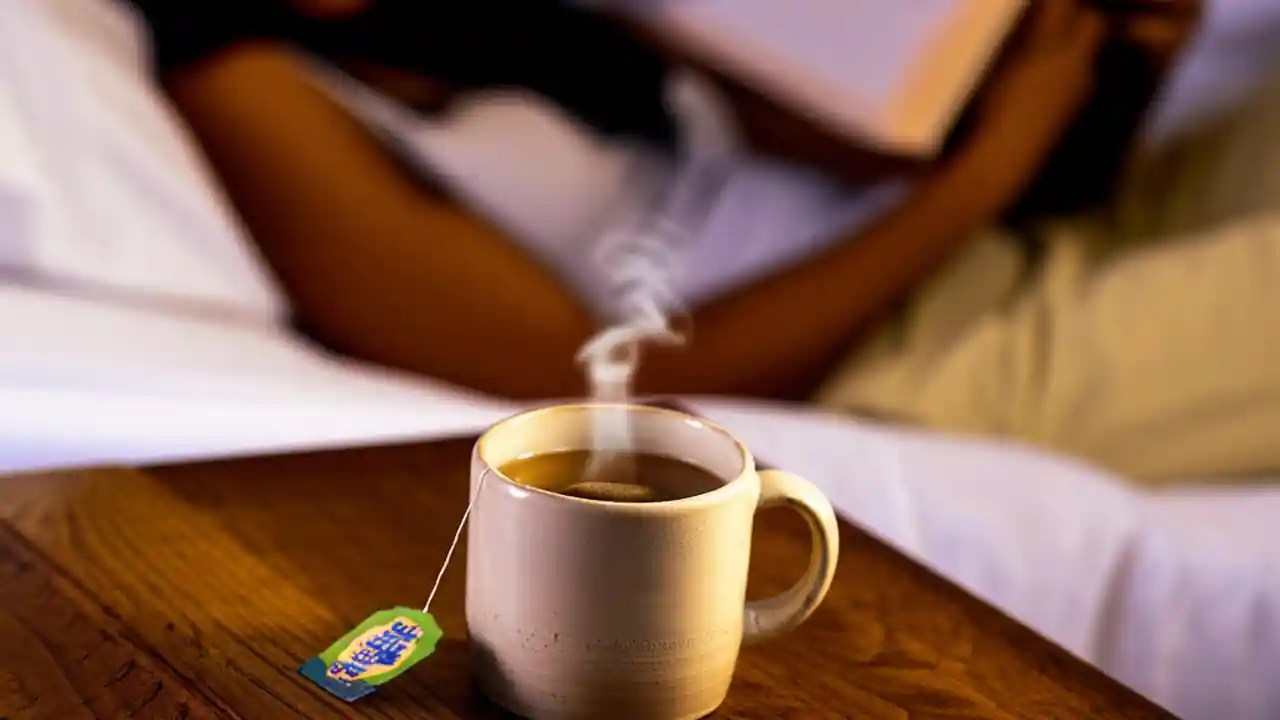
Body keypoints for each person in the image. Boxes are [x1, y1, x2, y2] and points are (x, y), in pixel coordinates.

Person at [127, 0, 1120, 398]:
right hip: (876, 353)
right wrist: (984, 174)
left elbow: (721, 115)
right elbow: (591, 388)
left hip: (914, 236)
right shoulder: (235, 84)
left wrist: (1017, 84)